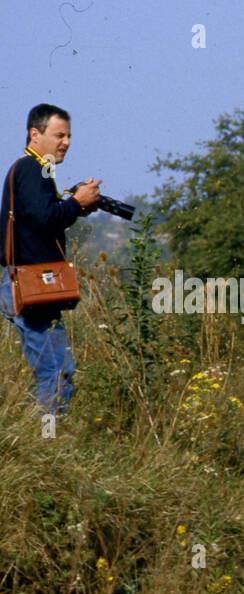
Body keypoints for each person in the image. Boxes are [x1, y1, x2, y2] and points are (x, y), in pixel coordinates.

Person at [1, 104, 101, 414]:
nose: (66, 142)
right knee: (54, 370)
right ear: (35, 134)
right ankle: (49, 437)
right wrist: (75, 203)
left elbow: (40, 218)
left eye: (69, 136)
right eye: (59, 135)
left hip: (32, 285)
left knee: (57, 367)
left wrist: (73, 205)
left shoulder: (35, 170)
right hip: (30, 286)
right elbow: (46, 219)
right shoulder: (32, 169)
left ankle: (48, 435)